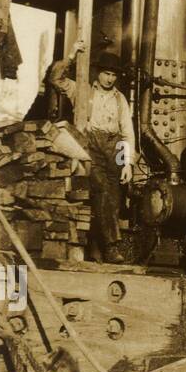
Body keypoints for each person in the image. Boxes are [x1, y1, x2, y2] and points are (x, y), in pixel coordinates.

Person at [47, 44, 134, 264]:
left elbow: (127, 133)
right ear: (98, 72)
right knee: (102, 191)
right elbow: (55, 78)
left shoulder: (120, 99)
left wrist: (127, 164)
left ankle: (96, 249)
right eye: (106, 73)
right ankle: (112, 247)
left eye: (114, 74)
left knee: (113, 199)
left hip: (114, 148)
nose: (110, 79)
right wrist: (71, 54)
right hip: (90, 146)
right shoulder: (82, 90)